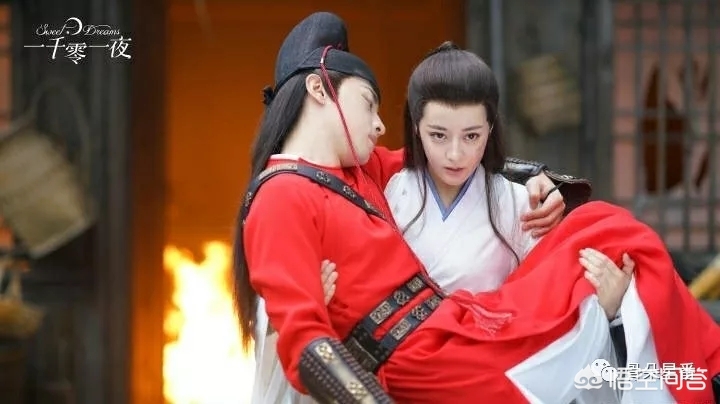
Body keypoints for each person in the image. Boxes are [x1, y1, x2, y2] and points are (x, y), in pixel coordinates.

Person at [235, 12, 720, 404]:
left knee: (609, 228)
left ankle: (709, 367)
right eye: (368, 104)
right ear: (319, 90)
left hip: (458, 325)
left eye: (473, 135)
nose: (379, 125)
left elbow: (444, 159)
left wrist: (540, 178)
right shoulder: (283, 195)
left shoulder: (360, 170)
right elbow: (305, 342)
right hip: (423, 359)